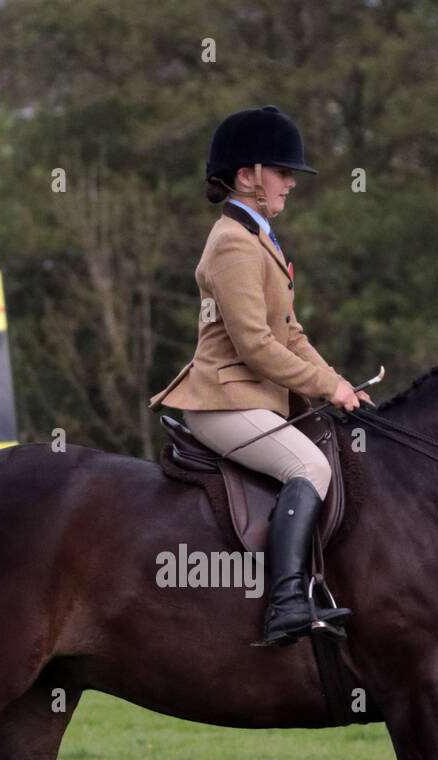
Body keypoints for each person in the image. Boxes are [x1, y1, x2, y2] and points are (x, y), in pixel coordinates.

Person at [149, 104, 373, 646]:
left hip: (251, 400)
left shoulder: (260, 239)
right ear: (246, 175)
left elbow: (291, 335)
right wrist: (326, 386)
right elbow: (255, 345)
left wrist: (341, 386)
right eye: (282, 171)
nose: (291, 182)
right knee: (311, 467)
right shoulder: (231, 242)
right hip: (223, 402)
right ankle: (287, 604)